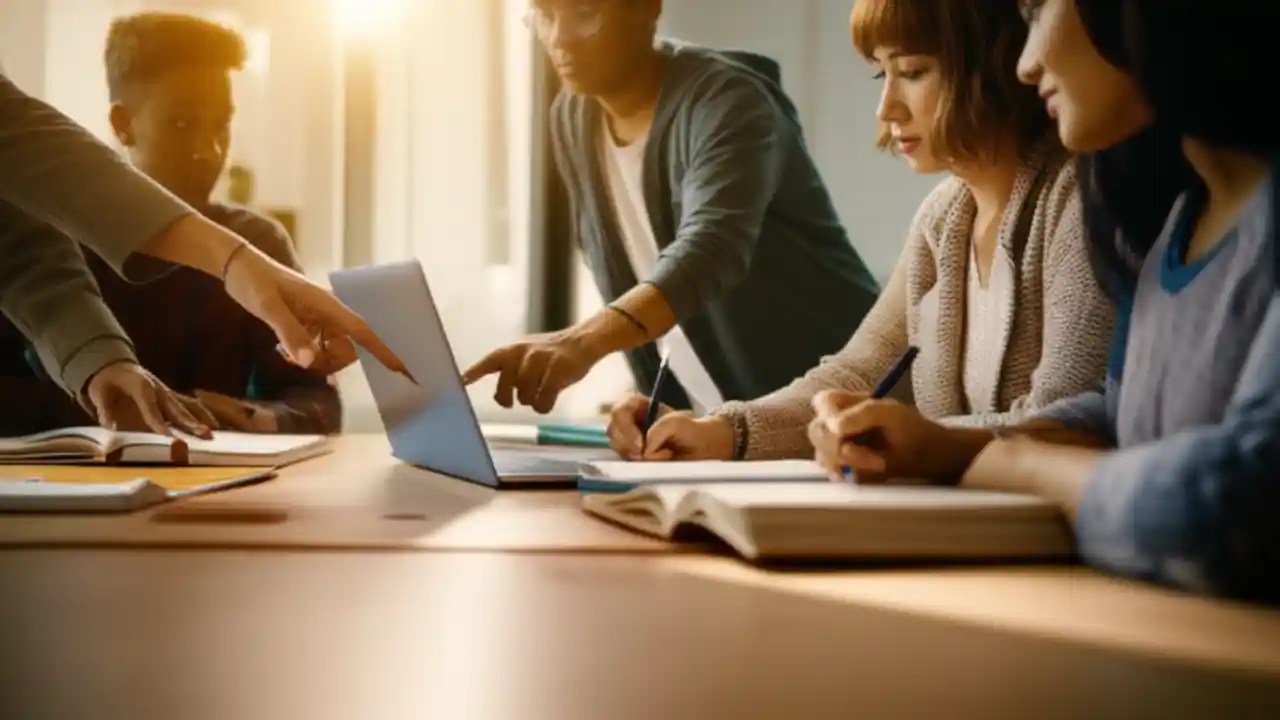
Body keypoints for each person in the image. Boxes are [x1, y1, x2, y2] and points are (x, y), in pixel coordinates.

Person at [816, 0, 1280, 601]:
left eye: (1037, 11)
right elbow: (1114, 417)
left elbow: (1237, 505)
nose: (1026, 65)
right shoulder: (1172, 221)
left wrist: (999, 465)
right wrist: (938, 447)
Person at [607, 0, 1112, 463]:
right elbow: (857, 374)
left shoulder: (1076, 198)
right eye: (882, 76)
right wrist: (720, 431)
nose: (887, 108)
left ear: (994, 65)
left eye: (912, 72)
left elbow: (1063, 422)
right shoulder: (943, 219)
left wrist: (925, 441)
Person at [463, 0, 882, 416]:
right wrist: (654, 407)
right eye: (545, 16)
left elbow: (708, 251)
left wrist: (581, 342)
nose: (558, 39)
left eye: (585, 13)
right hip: (728, 435)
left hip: (844, 408)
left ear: (648, 9)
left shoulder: (728, 102)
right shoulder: (573, 116)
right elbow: (646, 280)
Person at [0, 66, 406, 435]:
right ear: (123, 125)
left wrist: (252, 417)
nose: (207, 150)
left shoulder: (257, 238)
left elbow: (311, 398)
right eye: (180, 123)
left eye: (222, 127)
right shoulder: (60, 239)